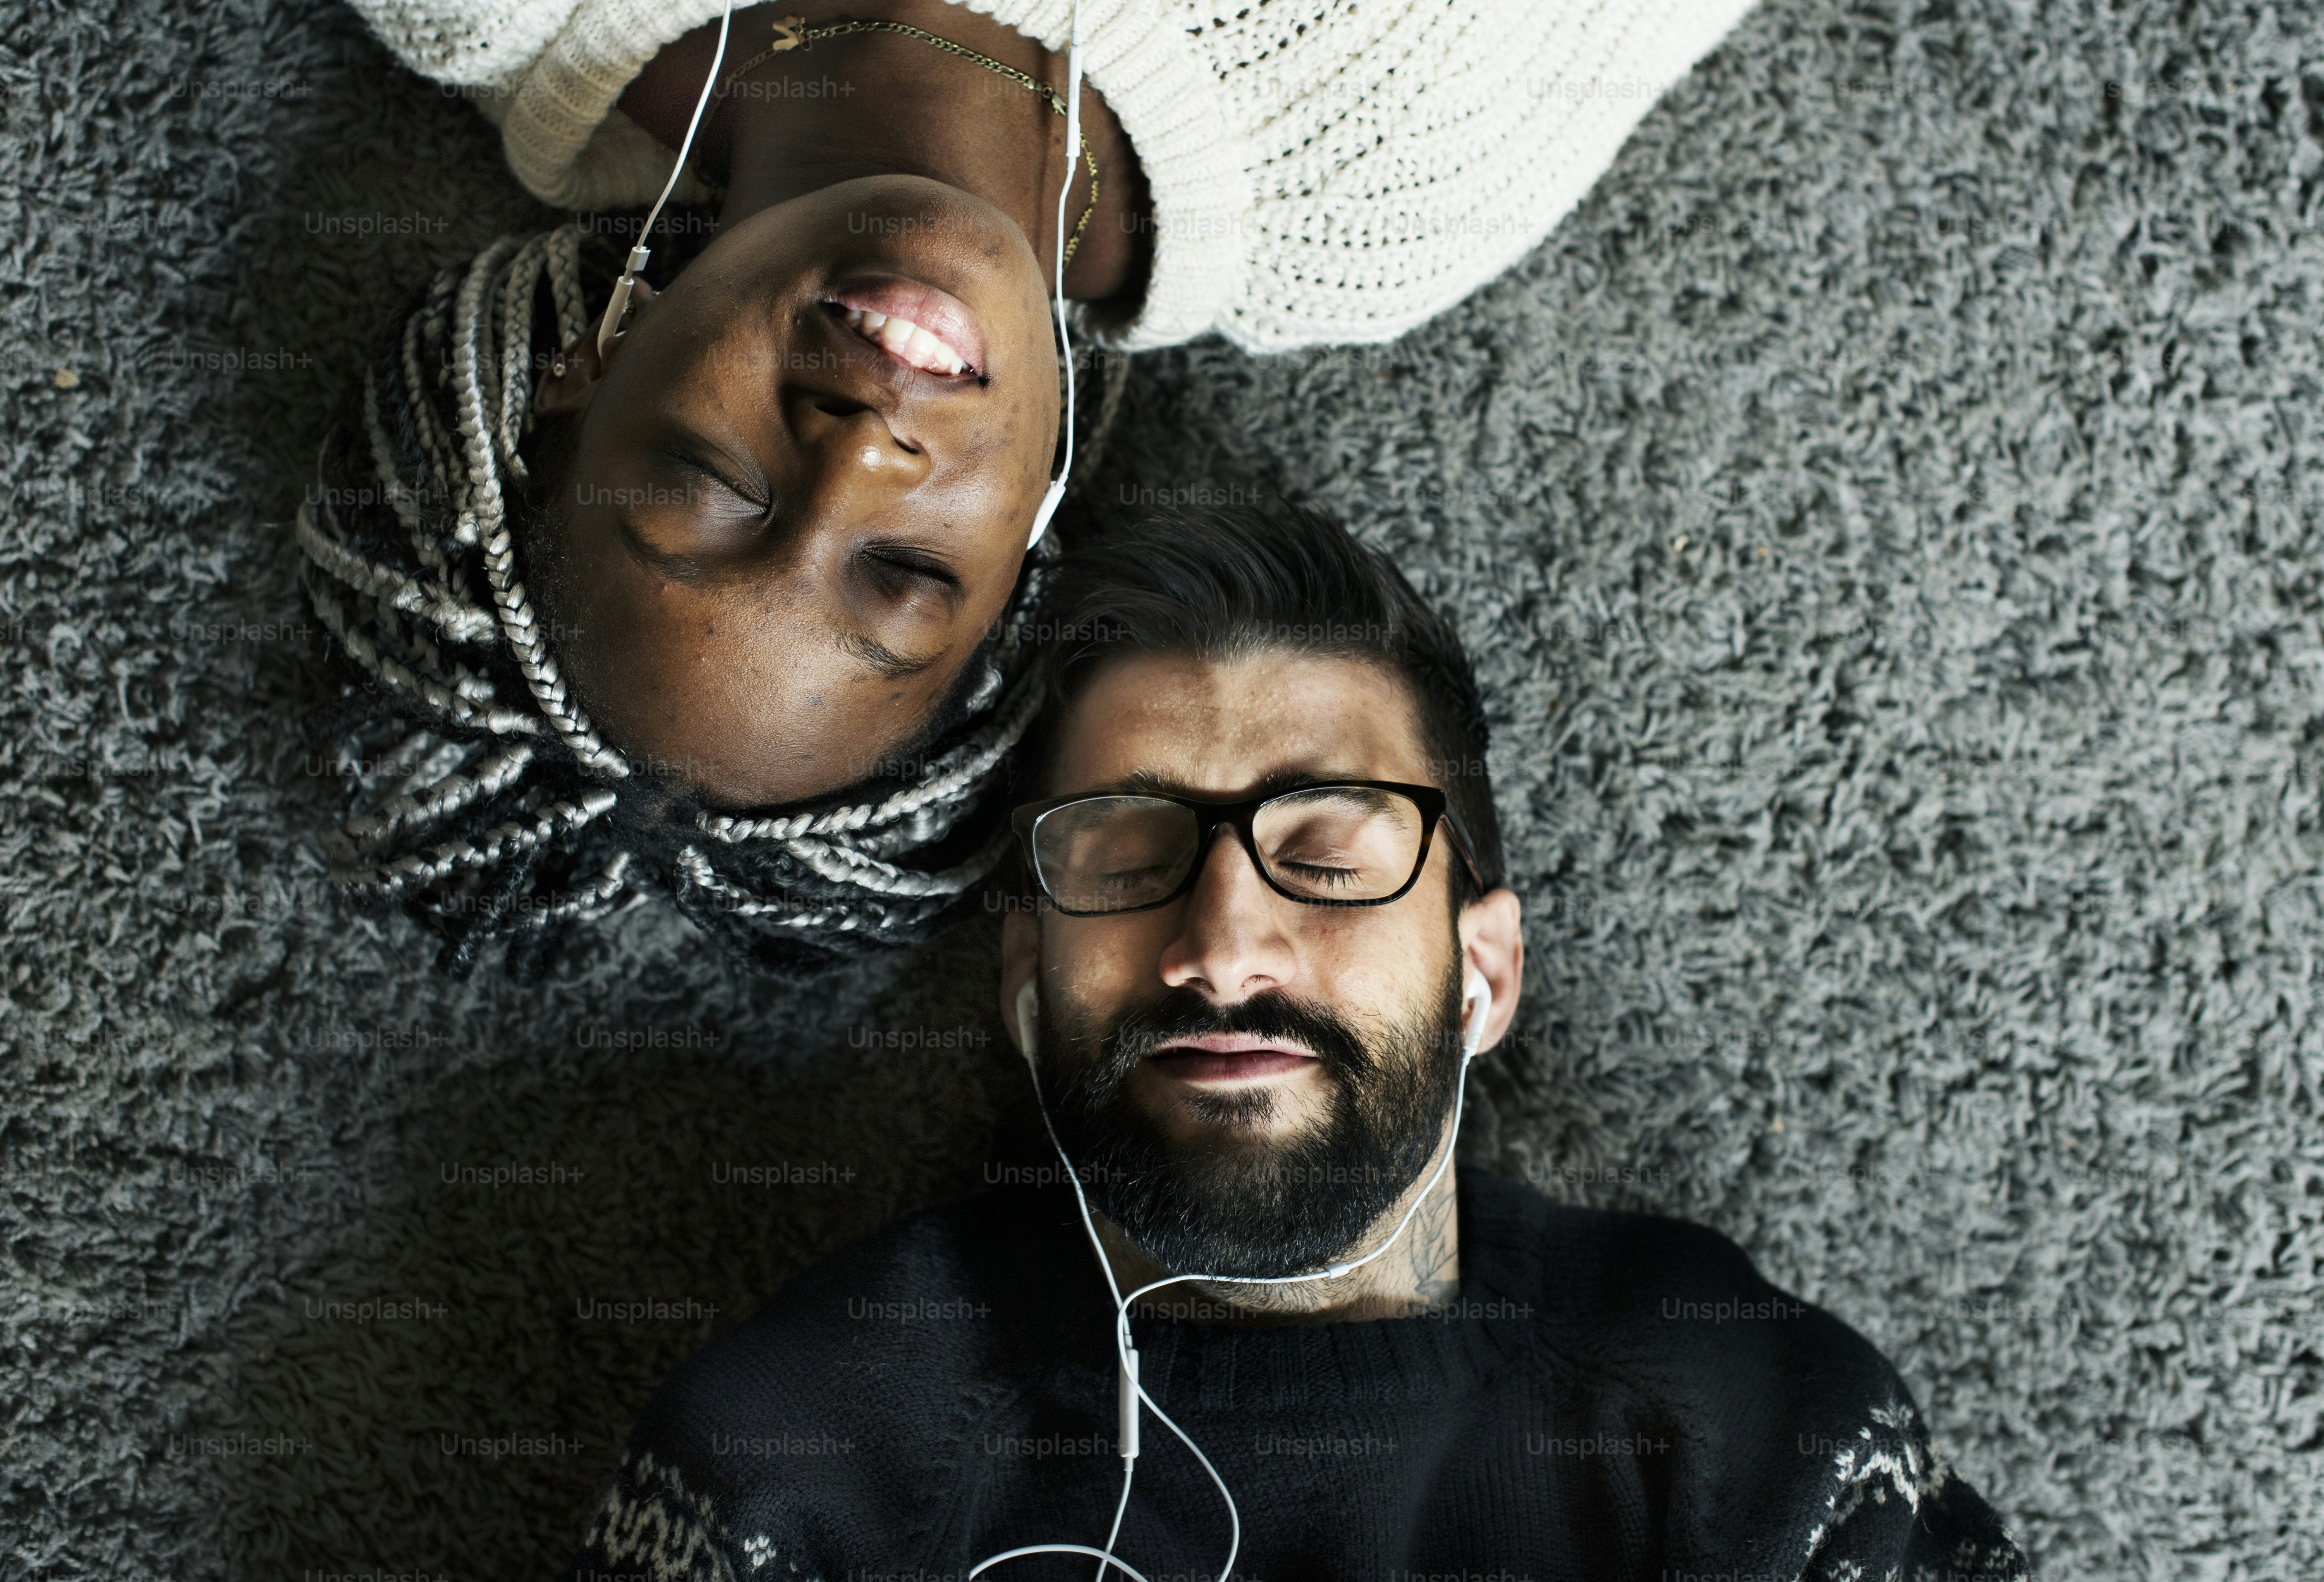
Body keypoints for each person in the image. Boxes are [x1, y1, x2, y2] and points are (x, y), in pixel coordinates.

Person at [236, 0, 1942, 975]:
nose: (860, 456)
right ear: (1033, 544)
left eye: (717, 486)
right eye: (908, 575)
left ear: (584, 370)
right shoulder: (1389, 185)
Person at [566, 501, 2028, 1580]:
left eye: (1326, 854)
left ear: (1484, 974)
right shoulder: (797, 1460)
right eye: (1129, 854)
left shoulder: (1756, 1431)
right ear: (1026, 980)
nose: (1220, 951)